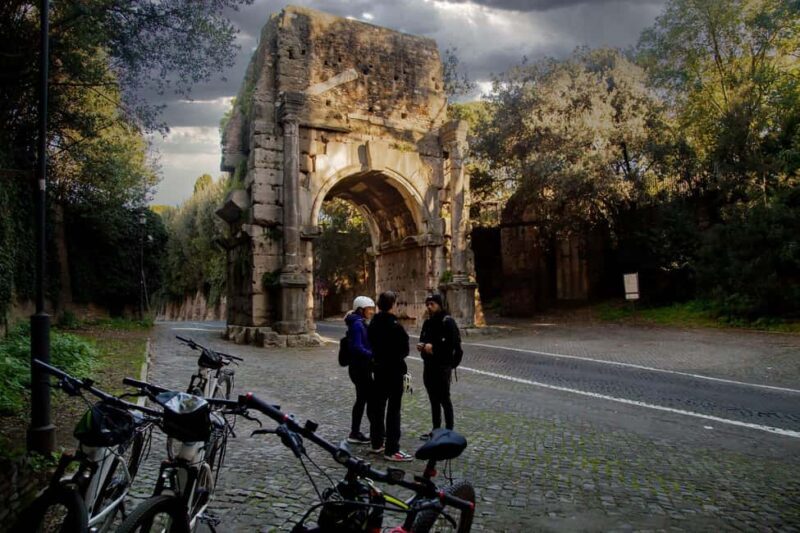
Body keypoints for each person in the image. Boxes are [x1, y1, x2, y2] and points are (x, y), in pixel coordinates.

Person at [367, 291, 412, 461]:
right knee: (393, 411)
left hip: (378, 370)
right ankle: (392, 449)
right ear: (393, 305)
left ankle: (377, 443)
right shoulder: (395, 326)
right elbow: (404, 350)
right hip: (393, 372)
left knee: (378, 408)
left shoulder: (373, 323)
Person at [416, 294, 460, 439]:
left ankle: (449, 431)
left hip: (442, 366)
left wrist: (433, 348)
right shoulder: (427, 323)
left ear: (439, 305)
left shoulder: (448, 322)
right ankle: (436, 430)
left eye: (432, 304)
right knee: (433, 399)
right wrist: (422, 346)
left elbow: (452, 345)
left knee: (444, 399)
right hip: (428, 366)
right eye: (427, 304)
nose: (429, 307)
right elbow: (423, 338)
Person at [345, 296, 375, 444]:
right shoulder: (357, 325)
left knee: (362, 400)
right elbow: (357, 347)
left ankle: (355, 432)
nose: (371, 312)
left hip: (360, 367)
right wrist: (372, 355)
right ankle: (360, 432)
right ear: (361, 310)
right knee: (366, 399)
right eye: (369, 309)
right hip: (360, 367)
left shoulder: (359, 323)